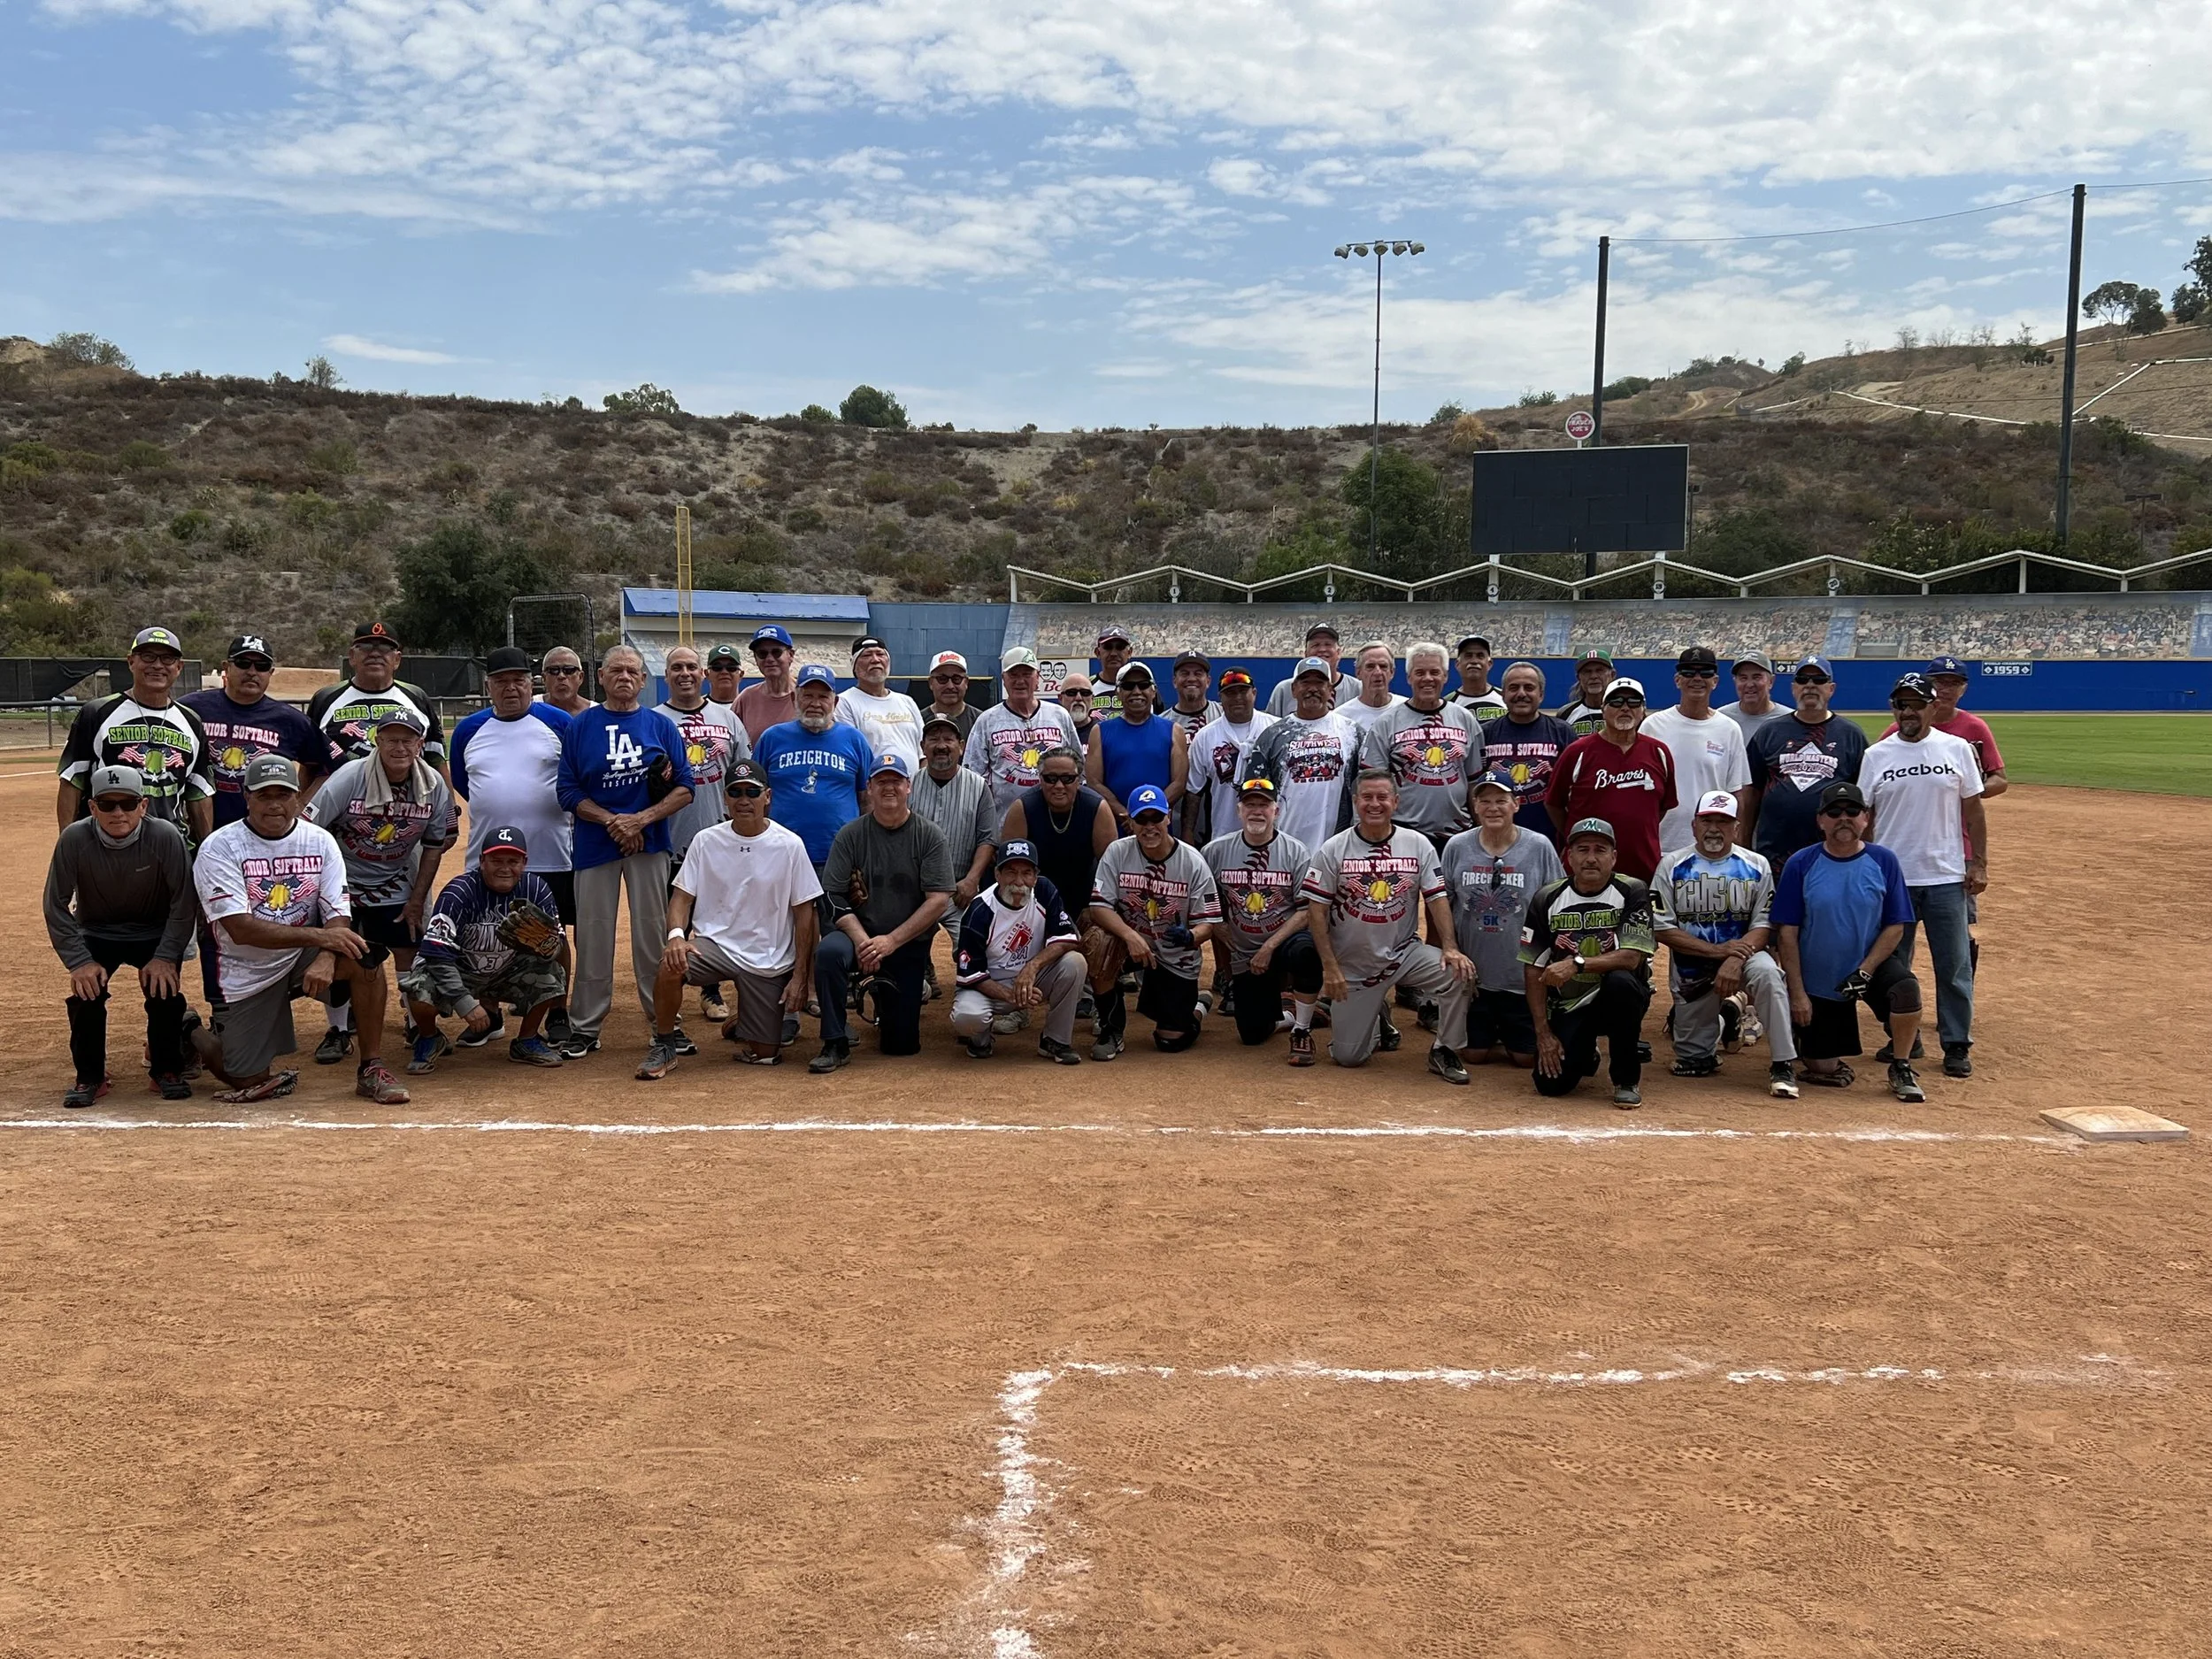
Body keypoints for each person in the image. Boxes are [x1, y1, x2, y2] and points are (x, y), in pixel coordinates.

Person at [189, 754, 409, 1105]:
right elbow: (241, 929)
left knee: (363, 957)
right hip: (243, 968)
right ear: (247, 797)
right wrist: (322, 938)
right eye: (264, 796)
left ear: (298, 797)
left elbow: (337, 912)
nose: (275, 805)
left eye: (284, 795)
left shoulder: (320, 841)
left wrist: (326, 954)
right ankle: (191, 1030)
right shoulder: (220, 847)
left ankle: (371, 1067)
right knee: (248, 1078)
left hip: (299, 956)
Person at [555, 644, 694, 1058]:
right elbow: (567, 789)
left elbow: (685, 787)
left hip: (649, 843)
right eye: (616, 670)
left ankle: (664, 1023)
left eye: (633, 671)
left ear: (643, 678)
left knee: (653, 936)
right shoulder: (581, 726)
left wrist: (642, 820)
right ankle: (585, 1026)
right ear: (600, 676)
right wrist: (614, 821)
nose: (625, 677)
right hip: (596, 844)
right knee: (594, 935)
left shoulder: (660, 725)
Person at [642, 761, 821, 1074]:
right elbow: (681, 898)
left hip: (768, 957)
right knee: (671, 965)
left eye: (752, 792)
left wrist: (800, 977)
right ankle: (665, 1044)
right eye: (735, 792)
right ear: (725, 798)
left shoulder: (790, 845)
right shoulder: (706, 840)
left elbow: (805, 915)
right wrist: (675, 937)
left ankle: (747, 1020)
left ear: (767, 796)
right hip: (714, 945)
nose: (744, 799)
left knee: (766, 1055)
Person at [304, 707, 457, 1068]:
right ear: (378, 741)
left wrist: (417, 901)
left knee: (408, 948)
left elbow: (436, 845)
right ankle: (338, 1031)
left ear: (421, 744)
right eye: (391, 739)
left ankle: (413, 1023)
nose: (399, 747)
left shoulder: (433, 786)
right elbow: (308, 830)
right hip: (342, 881)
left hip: (395, 880)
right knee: (344, 953)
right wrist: (325, 891)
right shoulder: (350, 777)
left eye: (407, 739)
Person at [1302, 769, 1474, 1083]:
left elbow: (1436, 898)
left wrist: (1449, 947)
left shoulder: (1418, 844)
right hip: (1354, 964)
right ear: (1355, 802)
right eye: (1367, 797)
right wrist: (1329, 967)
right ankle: (1378, 1017)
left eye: (1383, 797)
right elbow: (1316, 911)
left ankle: (1444, 1049)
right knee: (1348, 1058)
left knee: (1457, 973)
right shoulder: (1334, 848)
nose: (1375, 804)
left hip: (1404, 954)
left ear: (1396, 801)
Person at [44, 764, 197, 1106]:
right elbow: (55, 904)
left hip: (154, 933)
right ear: (92, 807)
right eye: (107, 804)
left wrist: (165, 956)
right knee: (86, 994)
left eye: (128, 804)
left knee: (165, 993)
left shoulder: (165, 836)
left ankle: (166, 1068)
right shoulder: (74, 840)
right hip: (97, 931)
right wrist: (79, 961)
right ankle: (90, 1077)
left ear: (143, 806)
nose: (118, 813)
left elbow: (184, 903)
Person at [449, 645, 577, 1048]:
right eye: (501, 681)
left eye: (519, 680)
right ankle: (490, 1014)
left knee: (553, 936)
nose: (511, 689)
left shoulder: (558, 722)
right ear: (488, 686)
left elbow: (573, 777)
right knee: (483, 935)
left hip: (551, 853)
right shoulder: (469, 729)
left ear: (531, 684)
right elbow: (463, 782)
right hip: (488, 859)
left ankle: (557, 1009)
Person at [1863, 672, 1986, 1079]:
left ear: (1933, 707)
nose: (1908, 711)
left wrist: (1978, 863)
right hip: (1895, 878)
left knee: (1953, 966)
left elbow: (1973, 810)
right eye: (1901, 704)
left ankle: (1955, 1044)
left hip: (1945, 876)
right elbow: (1866, 818)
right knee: (1895, 966)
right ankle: (1904, 1038)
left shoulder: (1956, 749)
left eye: (1916, 704)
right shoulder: (1877, 755)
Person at [1771, 780, 1926, 1102]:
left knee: (1905, 988)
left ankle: (1901, 1064)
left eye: (1852, 811)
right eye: (1834, 812)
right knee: (1823, 1067)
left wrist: (1866, 971)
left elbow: (1896, 925)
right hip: (1820, 977)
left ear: (1866, 818)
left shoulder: (1883, 860)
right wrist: (1798, 994)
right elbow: (1788, 932)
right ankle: (1806, 1039)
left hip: (1868, 967)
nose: (1844, 818)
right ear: (1821, 820)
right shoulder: (1802, 863)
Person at [1651, 790, 1799, 1098]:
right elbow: (1661, 928)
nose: (1714, 828)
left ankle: (1783, 1063)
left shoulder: (1756, 865)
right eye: (1707, 820)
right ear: (1694, 826)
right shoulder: (1672, 865)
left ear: (1737, 827)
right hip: (1693, 966)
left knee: (1769, 974)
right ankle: (1728, 1016)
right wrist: (1717, 952)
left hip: (1745, 957)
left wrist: (1733, 959)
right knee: (1694, 1061)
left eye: (1723, 821)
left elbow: (1763, 924)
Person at [810, 755, 954, 1073]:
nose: (889, 787)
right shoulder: (850, 834)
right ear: (869, 789)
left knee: (900, 1046)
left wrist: (890, 941)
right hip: (856, 936)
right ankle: (835, 1039)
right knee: (829, 952)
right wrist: (864, 941)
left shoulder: (929, 835)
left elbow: (938, 900)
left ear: (908, 787)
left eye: (895, 781)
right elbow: (831, 894)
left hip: (906, 940)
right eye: (881, 781)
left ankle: (889, 999)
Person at [402, 826, 569, 1070]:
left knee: (553, 973)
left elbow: (556, 947)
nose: (505, 868)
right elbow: (436, 955)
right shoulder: (459, 892)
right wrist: (464, 1003)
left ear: (524, 863)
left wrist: (546, 946)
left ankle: (527, 1040)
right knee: (417, 987)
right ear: (481, 861)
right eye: (496, 860)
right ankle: (429, 1038)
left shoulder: (537, 889)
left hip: (507, 971)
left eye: (513, 861)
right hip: (461, 970)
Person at [1519, 817, 1656, 1107]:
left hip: (1616, 996)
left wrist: (1576, 964)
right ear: (1569, 856)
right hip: (1570, 1004)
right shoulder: (1547, 897)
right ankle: (1584, 1052)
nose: (1591, 858)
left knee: (1622, 984)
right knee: (1550, 1085)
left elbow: (1632, 957)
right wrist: (1543, 1034)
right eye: (1582, 850)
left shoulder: (1633, 890)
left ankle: (1626, 1078)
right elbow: (1533, 967)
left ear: (1614, 856)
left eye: (1600, 850)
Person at [1084, 784, 1222, 1059]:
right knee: (1097, 942)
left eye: (1156, 818)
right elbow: (1099, 907)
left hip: (1175, 954)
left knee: (1170, 1041)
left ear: (1168, 817)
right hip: (1134, 945)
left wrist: (1192, 937)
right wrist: (1130, 936)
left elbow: (1210, 923)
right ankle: (1111, 1029)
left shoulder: (1193, 862)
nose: (1149, 826)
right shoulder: (1117, 852)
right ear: (1130, 822)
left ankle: (1198, 1007)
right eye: (1141, 819)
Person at [1440, 771, 1563, 1070]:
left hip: (1520, 977)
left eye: (1501, 801)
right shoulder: (1457, 846)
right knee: (1473, 1056)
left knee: (1524, 1059)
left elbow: (1556, 902)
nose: (1493, 808)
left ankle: (1512, 1029)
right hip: (1476, 977)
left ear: (1516, 804)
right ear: (1475, 806)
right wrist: (1447, 947)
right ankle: (1487, 1030)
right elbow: (1442, 903)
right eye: (1484, 801)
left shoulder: (1538, 846)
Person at [58, 625, 214, 846]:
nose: (158, 665)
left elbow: (199, 792)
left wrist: (206, 850)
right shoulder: (97, 713)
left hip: (171, 845)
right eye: (148, 657)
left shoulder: (191, 721)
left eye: (167, 659)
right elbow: (72, 782)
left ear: (179, 667)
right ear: (131, 662)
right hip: (105, 844)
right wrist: (68, 844)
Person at [1202, 777, 1322, 1058]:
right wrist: (1219, 926)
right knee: (1252, 1034)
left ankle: (1301, 1028)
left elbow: (1305, 911)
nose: (1257, 811)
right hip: (1245, 953)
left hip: (1283, 945)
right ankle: (1289, 1015)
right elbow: (1204, 898)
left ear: (1276, 811)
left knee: (1307, 951)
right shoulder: (1215, 851)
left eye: (1264, 805)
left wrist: (1269, 947)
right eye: (1250, 804)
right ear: (1239, 810)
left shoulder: (1296, 852)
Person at [949, 838, 1087, 1064]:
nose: (1019, 881)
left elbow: (1068, 939)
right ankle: (979, 1040)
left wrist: (1032, 967)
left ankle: (1055, 1040)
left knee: (1074, 963)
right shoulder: (979, 910)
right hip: (989, 984)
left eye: (1026, 873)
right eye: (1011, 872)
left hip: (1032, 979)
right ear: (997, 875)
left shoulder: (1044, 891)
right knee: (967, 1017)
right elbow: (970, 975)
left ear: (1035, 876)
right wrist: (1012, 995)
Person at [183, 633, 330, 831]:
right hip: (202, 834)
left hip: (265, 837)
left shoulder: (290, 720)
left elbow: (332, 766)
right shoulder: (191, 709)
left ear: (271, 672)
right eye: (243, 663)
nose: (252, 672)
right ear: (226, 667)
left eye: (261, 666)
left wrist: (303, 806)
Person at [1742, 655, 1870, 867]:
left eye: (1819, 680)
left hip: (1832, 854)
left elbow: (1863, 798)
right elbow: (1751, 792)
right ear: (1794, 688)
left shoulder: (1851, 735)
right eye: (1803, 679)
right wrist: (1744, 845)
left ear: (1831, 688)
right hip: (1774, 854)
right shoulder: (1770, 732)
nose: (1810, 685)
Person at [1547, 677, 1678, 882]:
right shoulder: (1578, 752)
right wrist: (1577, 835)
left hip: (1643, 870)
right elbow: (1554, 804)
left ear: (1643, 710)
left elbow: (1661, 808)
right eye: (1616, 702)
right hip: (1586, 873)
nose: (1625, 708)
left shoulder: (1659, 752)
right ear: (1604, 709)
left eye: (1633, 702)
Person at [1360, 641, 1485, 849]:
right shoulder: (1387, 723)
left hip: (1457, 834)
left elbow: (1475, 784)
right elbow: (1372, 786)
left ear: (1445, 676)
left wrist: (1481, 833)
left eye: (1434, 672)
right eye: (1420, 673)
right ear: (1409, 678)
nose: (1427, 679)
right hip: (1403, 834)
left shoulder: (1464, 719)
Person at [755, 664, 875, 872]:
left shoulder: (854, 740)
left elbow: (868, 799)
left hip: (840, 858)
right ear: (795, 699)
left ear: (834, 702)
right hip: (780, 856)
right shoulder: (772, 738)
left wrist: (865, 851)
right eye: (808, 695)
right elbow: (755, 796)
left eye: (823, 697)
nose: (815, 704)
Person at [1001, 747, 1117, 960]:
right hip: (1036, 898)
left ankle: (1107, 984)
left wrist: (1096, 905)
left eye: (1067, 778)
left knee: (1103, 939)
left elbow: (1111, 868)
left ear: (1079, 779)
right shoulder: (1023, 808)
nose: (1059, 786)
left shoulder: (1097, 807)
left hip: (1084, 897)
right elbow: (1009, 869)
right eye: (1050, 778)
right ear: (1040, 778)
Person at [916, 712, 1000, 993]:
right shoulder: (908, 786)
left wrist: (972, 880)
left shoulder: (978, 786)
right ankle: (917, 975)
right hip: (915, 891)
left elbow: (988, 838)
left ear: (961, 745)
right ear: (922, 746)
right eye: (934, 739)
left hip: (959, 889)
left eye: (948, 738)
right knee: (902, 958)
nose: (941, 745)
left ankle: (973, 1006)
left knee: (973, 951)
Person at [1240, 657, 1360, 851]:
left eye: (1319, 683)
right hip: (1284, 849)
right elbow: (1255, 796)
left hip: (1337, 848)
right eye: (1306, 682)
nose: (1312, 688)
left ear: (1331, 690)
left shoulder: (1353, 733)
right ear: (1294, 689)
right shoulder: (1272, 736)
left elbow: (1364, 791)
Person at [1640, 646, 1751, 856]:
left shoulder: (1729, 729)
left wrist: (1737, 845)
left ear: (1715, 681)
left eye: (1705, 673)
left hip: (1713, 846)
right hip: (1661, 844)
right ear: (1677, 680)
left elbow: (1737, 793)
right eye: (1689, 672)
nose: (1697, 678)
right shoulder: (1652, 726)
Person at [654, 644, 752, 867]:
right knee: (670, 903)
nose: (685, 673)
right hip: (668, 842)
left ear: (702, 673)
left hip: (722, 837)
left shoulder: (729, 719)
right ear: (667, 676)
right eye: (677, 668)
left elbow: (745, 777)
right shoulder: (652, 720)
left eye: (691, 667)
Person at [307, 621, 448, 777]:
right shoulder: (325, 699)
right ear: (352, 656)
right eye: (366, 647)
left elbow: (436, 758)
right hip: (341, 798)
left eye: (385, 649)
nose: (375, 654)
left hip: (407, 798)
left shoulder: (417, 697)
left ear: (397, 659)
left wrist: (448, 800)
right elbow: (308, 762)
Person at [967, 647, 1085, 816]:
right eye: (1013, 675)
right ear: (1004, 679)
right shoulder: (987, 721)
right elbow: (975, 778)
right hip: (1004, 822)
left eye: (1026, 674)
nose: (1020, 681)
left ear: (1037, 678)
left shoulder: (1059, 716)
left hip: (1057, 820)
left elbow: (1079, 770)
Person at [1480, 663, 1578, 839]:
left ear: (1541, 694)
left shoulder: (1563, 732)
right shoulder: (1486, 733)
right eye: (1514, 688)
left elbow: (1575, 791)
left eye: (1529, 688)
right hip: (1497, 838)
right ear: (1503, 694)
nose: (1521, 694)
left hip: (1549, 837)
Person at [1187, 669, 1276, 856]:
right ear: (1220, 697)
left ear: (1254, 693)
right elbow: (1194, 792)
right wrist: (1187, 834)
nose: (1237, 698)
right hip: (1223, 834)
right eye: (1230, 693)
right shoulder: (1205, 737)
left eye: (1242, 691)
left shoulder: (1275, 729)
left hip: (1272, 835)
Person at [1089, 661, 1185, 829]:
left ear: (1153, 691)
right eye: (1128, 686)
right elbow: (1094, 782)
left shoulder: (1174, 731)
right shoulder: (1100, 731)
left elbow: (1179, 782)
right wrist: (1126, 815)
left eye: (1143, 685)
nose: (1136, 692)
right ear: (1118, 693)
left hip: (1157, 826)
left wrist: (1148, 814)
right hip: (1117, 826)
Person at [1917, 656, 2008, 797]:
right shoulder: (1907, 726)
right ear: (1926, 685)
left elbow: (2000, 780)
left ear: (1963, 689)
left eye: (1954, 683)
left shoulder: (1974, 727)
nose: (1946, 690)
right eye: (1939, 682)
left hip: (1959, 818)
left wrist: (1970, 792)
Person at [837, 634, 925, 772]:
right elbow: (850, 756)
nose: (875, 660)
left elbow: (923, 753)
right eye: (867, 655)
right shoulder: (844, 703)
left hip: (914, 789)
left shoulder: (907, 702)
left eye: (880, 654)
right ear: (854, 665)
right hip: (873, 790)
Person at [1266, 621, 1356, 715]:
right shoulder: (1283, 690)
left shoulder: (1357, 688)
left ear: (1338, 653)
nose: (1322, 649)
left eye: (1328, 644)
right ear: (1306, 654)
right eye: (1315, 645)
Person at [735, 626, 799, 741]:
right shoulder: (746, 699)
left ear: (791, 655)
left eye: (776, 652)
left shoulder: (807, 695)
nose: (769, 659)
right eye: (762, 653)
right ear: (755, 659)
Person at [1341, 641, 1403, 748]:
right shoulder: (1342, 717)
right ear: (1358, 673)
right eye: (1370, 666)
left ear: (1392, 672)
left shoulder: (1406, 709)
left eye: (1383, 666)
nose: (1378, 672)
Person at [1717, 655, 1789, 740]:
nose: (1750, 684)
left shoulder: (1789, 720)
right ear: (1735, 682)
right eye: (1743, 678)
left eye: (1757, 677)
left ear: (1770, 681)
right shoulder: (1721, 718)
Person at [1555, 649, 1617, 737]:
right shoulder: (1566, 713)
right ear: (1578, 678)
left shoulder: (1623, 710)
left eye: (1600, 670)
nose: (1593, 676)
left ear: (1612, 675)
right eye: (1587, 672)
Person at [923, 650, 979, 741]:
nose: (950, 686)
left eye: (956, 679)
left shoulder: (981, 721)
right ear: (931, 683)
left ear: (966, 683)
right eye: (942, 679)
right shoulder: (918, 721)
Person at [1448, 634, 1506, 722]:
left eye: (1480, 656)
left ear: (1489, 664)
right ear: (1458, 664)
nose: (1474, 661)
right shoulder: (1448, 703)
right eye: (1468, 656)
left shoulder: (1506, 698)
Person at [1166, 651, 1221, 741]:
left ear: (1208, 681)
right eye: (1185, 673)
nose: (1191, 679)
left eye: (1198, 674)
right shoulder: (1163, 724)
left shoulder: (1223, 715)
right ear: (1174, 681)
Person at [538, 645, 595, 717]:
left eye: (569, 670)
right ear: (544, 678)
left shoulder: (596, 714)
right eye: (554, 670)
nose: (561, 676)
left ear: (580, 677)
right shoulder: (529, 708)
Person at [1058, 674, 1102, 757]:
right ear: (1060, 698)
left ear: (1092, 699)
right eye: (1071, 693)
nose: (1078, 698)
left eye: (1085, 693)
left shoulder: (1103, 732)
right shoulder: (1053, 729)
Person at [704, 642, 744, 709]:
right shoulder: (697, 708)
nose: (724, 672)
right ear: (707, 674)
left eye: (731, 667)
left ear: (741, 675)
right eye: (717, 667)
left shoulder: (751, 706)